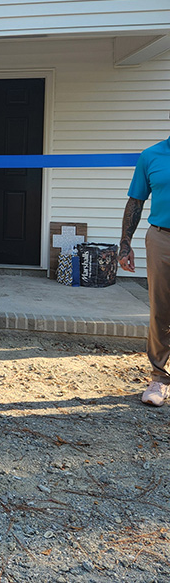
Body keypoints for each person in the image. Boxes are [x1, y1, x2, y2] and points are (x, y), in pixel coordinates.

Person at [119, 132, 170, 406]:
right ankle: (160, 378)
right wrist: (125, 243)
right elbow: (135, 201)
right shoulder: (151, 156)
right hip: (162, 239)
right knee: (161, 309)